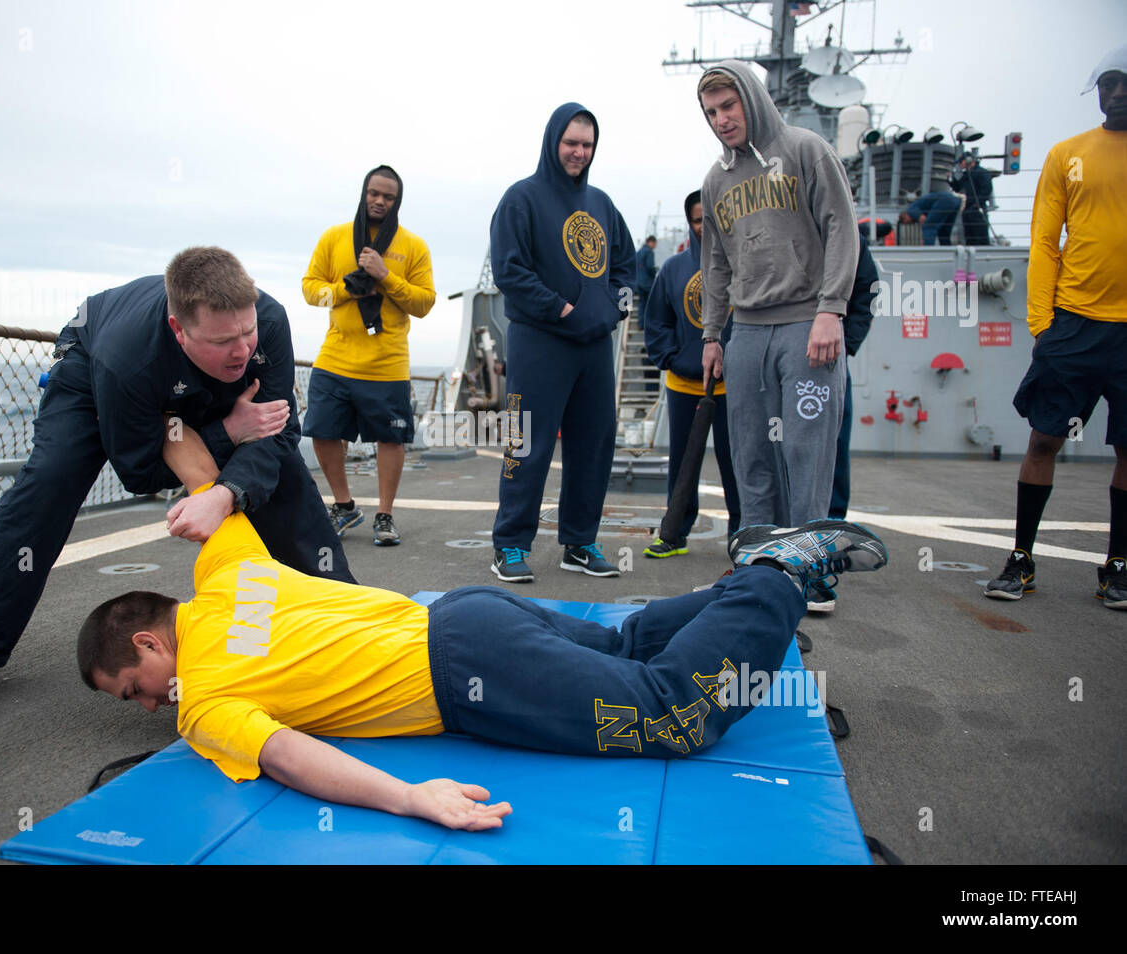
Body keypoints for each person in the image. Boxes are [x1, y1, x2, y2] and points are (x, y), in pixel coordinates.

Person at [79, 419, 888, 831]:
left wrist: (409, 801)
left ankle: (778, 575)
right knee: (625, 643)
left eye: (131, 690)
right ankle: (744, 587)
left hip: (466, 675)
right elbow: (194, 463)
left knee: (668, 712)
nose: (148, 709)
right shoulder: (222, 574)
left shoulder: (201, 699)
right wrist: (168, 418)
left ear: (150, 644)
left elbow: (289, 757)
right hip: (465, 616)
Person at [0, 247, 355, 720]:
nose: (242, 351)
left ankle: (349, 616)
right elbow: (138, 471)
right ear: (179, 329)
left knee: (282, 478)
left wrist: (225, 492)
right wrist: (228, 431)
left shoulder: (268, 324)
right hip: (96, 366)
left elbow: (278, 431)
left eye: (246, 332)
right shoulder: (122, 358)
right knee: (51, 481)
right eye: (223, 340)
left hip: (193, 384)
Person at [696, 62, 858, 554]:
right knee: (751, 456)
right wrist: (710, 335)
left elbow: (841, 229)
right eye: (711, 112)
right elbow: (717, 263)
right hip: (745, 334)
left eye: (729, 105)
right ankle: (761, 563)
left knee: (807, 456)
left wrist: (831, 310)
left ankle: (809, 565)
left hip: (807, 325)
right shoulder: (715, 181)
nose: (721, 119)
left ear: (752, 98)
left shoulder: (807, 149)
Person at [985, 48, 1127, 610]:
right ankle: (1021, 559)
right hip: (1074, 323)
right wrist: (1042, 322)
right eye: (1108, 84)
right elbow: (1044, 239)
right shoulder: (1068, 155)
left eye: (1126, 84)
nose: (1117, 93)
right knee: (1044, 437)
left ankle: (1118, 565)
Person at [487, 103, 637, 583]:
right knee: (525, 443)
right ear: (554, 141)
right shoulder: (521, 199)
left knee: (593, 445)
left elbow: (627, 269)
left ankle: (579, 541)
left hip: (593, 347)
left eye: (587, 145)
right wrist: (564, 309)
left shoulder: (603, 205)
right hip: (539, 342)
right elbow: (510, 271)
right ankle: (510, 544)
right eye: (571, 142)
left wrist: (615, 308)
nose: (578, 152)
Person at [301, 165, 436, 547]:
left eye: (388, 197)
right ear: (364, 193)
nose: (379, 201)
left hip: (387, 362)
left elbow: (424, 303)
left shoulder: (413, 245)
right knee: (323, 432)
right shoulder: (334, 237)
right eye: (374, 193)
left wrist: (385, 277)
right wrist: (347, 289)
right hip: (335, 357)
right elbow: (311, 291)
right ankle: (344, 506)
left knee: (389, 440)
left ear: (397, 202)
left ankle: (385, 515)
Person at [642, 190, 740, 558]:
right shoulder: (673, 269)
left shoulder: (743, 265)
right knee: (683, 462)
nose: (706, 226)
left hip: (734, 387)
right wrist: (672, 359)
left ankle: (742, 536)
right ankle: (674, 534)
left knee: (737, 465)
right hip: (684, 384)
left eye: (712, 218)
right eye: (699, 220)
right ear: (690, 223)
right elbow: (656, 321)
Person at [817, 232, 880, 611]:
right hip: (778, 353)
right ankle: (774, 549)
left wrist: (844, 343)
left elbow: (866, 291)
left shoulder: (849, 236)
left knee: (832, 455)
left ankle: (824, 548)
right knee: (773, 452)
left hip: (828, 361)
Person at [948, 154, 993, 246]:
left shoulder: (981, 172)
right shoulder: (967, 175)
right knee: (969, 236)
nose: (960, 165)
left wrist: (977, 204)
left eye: (961, 162)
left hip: (977, 209)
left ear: (967, 161)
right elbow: (958, 187)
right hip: (967, 209)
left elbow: (986, 190)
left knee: (979, 235)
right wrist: (950, 178)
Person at [899, 191, 965, 246]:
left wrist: (924, 243)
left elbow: (923, 220)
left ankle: (928, 251)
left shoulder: (910, 210)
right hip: (955, 201)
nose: (910, 223)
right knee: (943, 232)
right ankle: (947, 251)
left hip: (944, 200)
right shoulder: (915, 206)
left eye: (907, 222)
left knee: (928, 227)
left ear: (905, 216)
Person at [635, 235, 658, 328]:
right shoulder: (649, 252)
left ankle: (641, 324)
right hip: (647, 283)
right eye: (655, 244)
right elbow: (649, 267)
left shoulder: (639, 252)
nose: (655, 246)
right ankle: (649, 325)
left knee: (642, 303)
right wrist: (654, 274)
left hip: (638, 283)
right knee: (651, 304)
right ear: (651, 242)